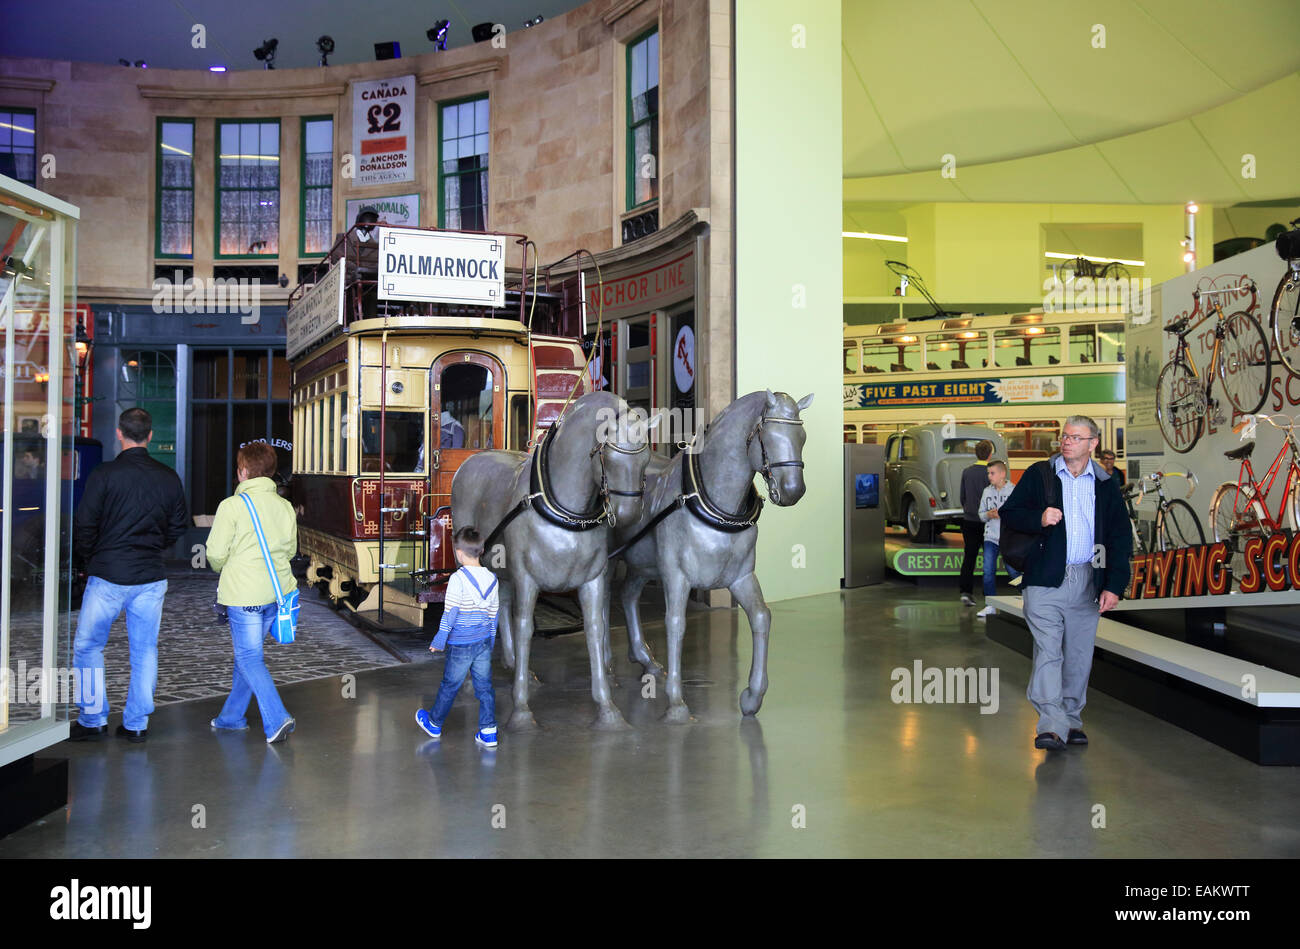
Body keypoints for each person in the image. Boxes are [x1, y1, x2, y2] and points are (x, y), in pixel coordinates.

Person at [998, 416, 1132, 751]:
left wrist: (1114, 585)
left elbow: (1119, 538)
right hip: (1045, 578)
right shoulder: (1039, 475)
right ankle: (1051, 724)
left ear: (1093, 443)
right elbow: (1010, 513)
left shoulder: (1105, 484)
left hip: (1088, 578)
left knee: (1079, 656)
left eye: (1075, 437)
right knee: (1048, 651)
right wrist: (1039, 518)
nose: (1067, 441)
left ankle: (1071, 719)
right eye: (1065, 436)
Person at [69, 408, 188, 743]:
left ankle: (93, 720)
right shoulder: (168, 477)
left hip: (107, 575)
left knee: (89, 647)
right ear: (150, 436)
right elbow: (178, 527)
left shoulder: (104, 474)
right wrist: (153, 546)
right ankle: (136, 724)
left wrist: (91, 557)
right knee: (144, 649)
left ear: (119, 434)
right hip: (150, 577)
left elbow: (85, 525)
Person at [206, 442, 298, 744]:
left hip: (244, 596)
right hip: (275, 593)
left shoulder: (231, 506)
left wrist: (228, 565)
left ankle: (277, 718)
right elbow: (290, 550)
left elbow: (216, 554)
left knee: (248, 657)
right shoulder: (284, 506)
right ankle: (231, 717)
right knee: (248, 657)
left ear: (243, 471)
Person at [415, 527, 500, 748]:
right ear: (481, 551)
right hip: (482, 642)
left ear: (459, 552)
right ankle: (489, 731)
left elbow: (450, 613)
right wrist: (490, 641)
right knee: (484, 688)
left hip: (461, 643)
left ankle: (434, 723)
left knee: (450, 685)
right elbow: (494, 614)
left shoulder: (457, 579)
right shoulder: (492, 579)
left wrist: (439, 640)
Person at [976, 458, 1019, 618]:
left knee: (1013, 571)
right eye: (988, 473)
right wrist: (988, 514)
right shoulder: (986, 491)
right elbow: (980, 515)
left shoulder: (1013, 490)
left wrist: (1005, 516)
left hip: (1009, 538)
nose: (989, 476)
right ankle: (990, 605)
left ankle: (1029, 599)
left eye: (992, 473)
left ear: (1002, 474)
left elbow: (1020, 514)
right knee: (987, 570)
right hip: (990, 537)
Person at [958, 439, 994, 607]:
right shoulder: (992, 473)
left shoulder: (966, 472)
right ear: (990, 454)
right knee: (988, 559)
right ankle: (989, 596)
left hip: (969, 521)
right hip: (987, 522)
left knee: (969, 557)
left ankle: (966, 592)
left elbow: (962, 497)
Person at [329, 206, 380, 320]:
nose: (369, 221)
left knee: (371, 296)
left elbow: (375, 265)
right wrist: (355, 269)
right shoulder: (343, 238)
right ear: (360, 219)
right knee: (349, 294)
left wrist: (362, 272)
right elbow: (336, 257)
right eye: (367, 217)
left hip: (366, 285)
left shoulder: (375, 246)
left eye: (372, 219)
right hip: (347, 283)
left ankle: (369, 325)